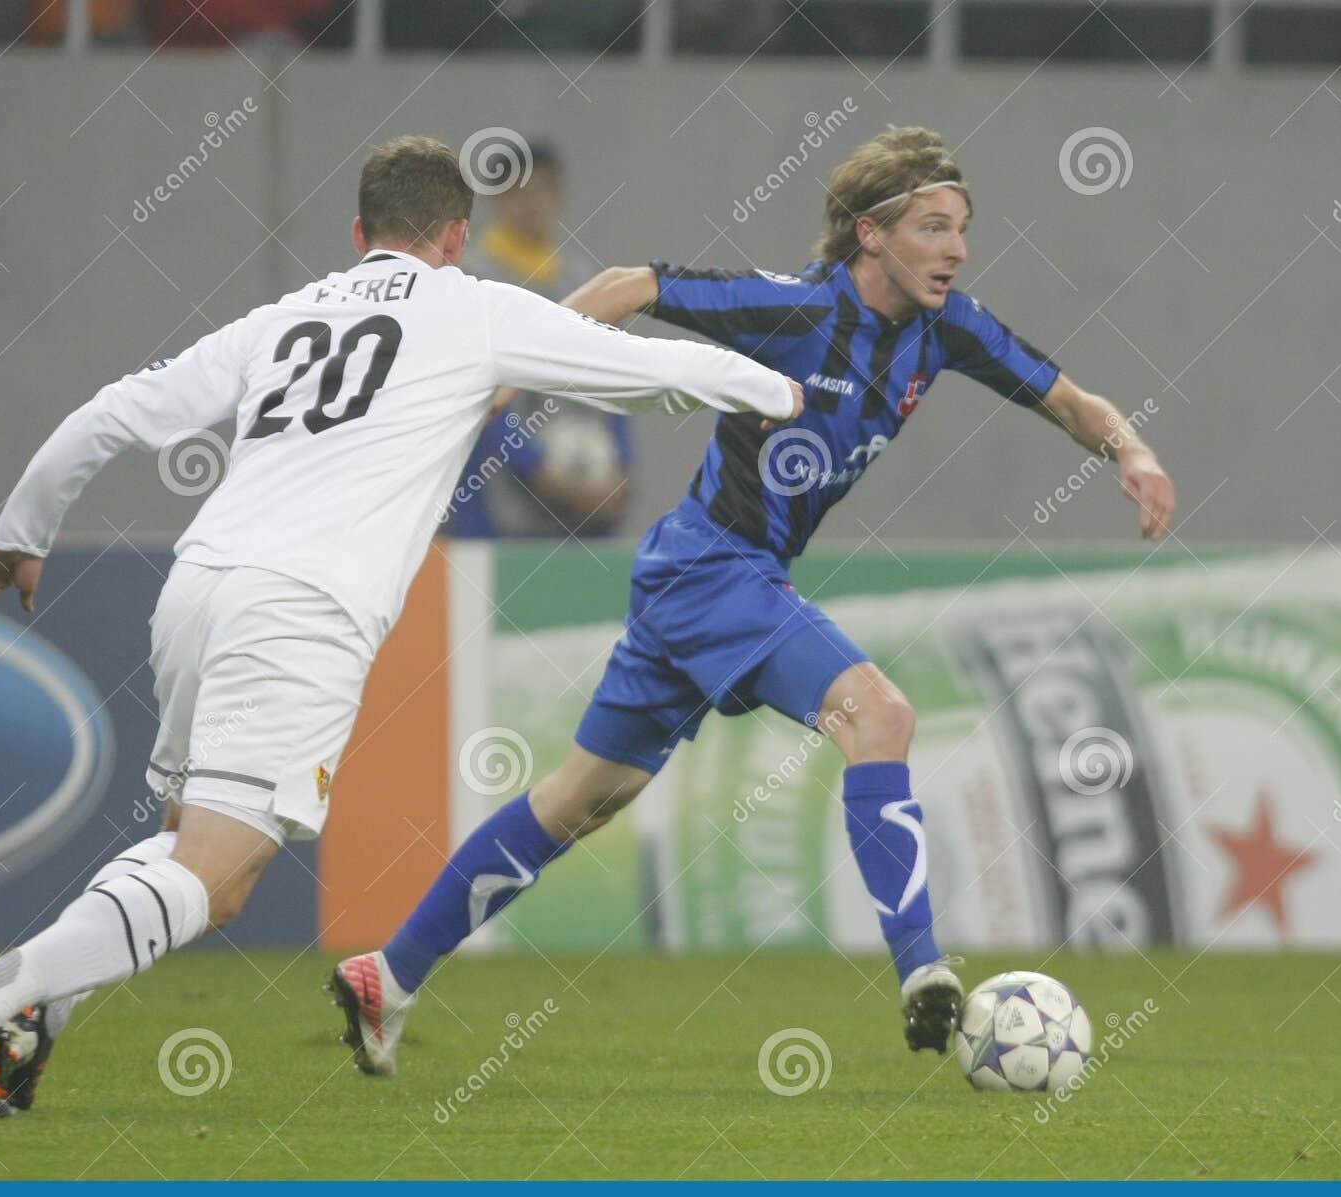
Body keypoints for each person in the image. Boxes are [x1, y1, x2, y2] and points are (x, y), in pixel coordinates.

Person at [0, 134, 802, 1118]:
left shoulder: (281, 317)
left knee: (189, 851)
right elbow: (635, 367)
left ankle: (26, 1025)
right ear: (458, 234)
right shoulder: (473, 307)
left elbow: (111, 415)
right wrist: (779, 388)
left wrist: (20, 536)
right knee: (214, 872)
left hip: (198, 587)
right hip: (301, 609)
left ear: (358, 231)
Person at [332, 126, 1176, 1075]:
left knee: (580, 798)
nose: (957, 249)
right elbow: (629, 283)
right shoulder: (790, 310)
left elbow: (1069, 399)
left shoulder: (949, 329)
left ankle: (388, 975)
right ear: (872, 233)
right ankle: (923, 969)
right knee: (881, 714)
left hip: (705, 579)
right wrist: (510, 374)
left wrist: (1131, 452)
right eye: (935, 228)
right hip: (712, 567)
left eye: (962, 230)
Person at [449, 141, 633, 539]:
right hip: (499, 509)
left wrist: (621, 471)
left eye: (542, 190)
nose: (532, 204)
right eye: (519, 192)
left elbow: (615, 378)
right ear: (497, 198)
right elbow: (477, 392)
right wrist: (538, 471)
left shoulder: (585, 279)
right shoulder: (473, 279)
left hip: (584, 510)